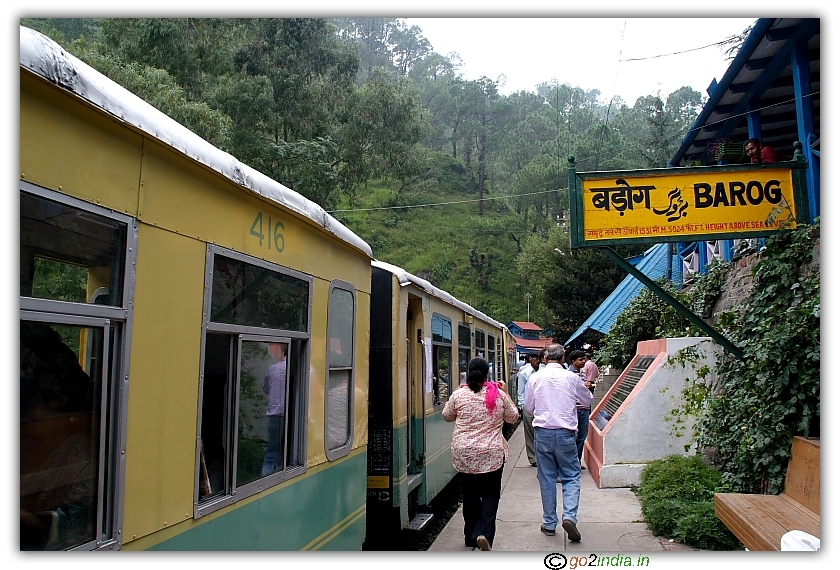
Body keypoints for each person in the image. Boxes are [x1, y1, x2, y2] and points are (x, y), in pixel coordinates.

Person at [443, 357, 519, 551]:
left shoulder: (459, 395)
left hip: (465, 454)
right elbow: (513, 417)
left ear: (468, 372)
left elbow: (447, 416)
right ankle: (485, 533)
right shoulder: (498, 395)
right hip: (491, 453)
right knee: (491, 494)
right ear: (488, 374)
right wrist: (507, 393)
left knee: (469, 495)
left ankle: (470, 537)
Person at [524, 344, 593, 542]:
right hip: (566, 434)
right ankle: (570, 516)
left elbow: (528, 406)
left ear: (545, 359)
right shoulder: (572, 378)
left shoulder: (535, 378)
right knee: (571, 476)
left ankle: (549, 523)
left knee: (546, 478)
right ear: (563, 359)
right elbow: (586, 400)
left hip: (543, 433)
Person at [261, 342, 287, 477]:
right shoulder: (297, 368)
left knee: (271, 454)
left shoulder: (273, 369)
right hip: (291, 417)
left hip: (275, 417)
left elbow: (265, 389)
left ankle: (265, 482)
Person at [567, 350, 595, 468]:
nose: (583, 361)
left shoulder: (582, 373)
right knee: (573, 437)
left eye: (584, 359)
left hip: (584, 408)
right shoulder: (569, 374)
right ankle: (571, 463)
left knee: (582, 437)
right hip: (575, 409)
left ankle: (577, 461)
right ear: (573, 361)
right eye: (580, 359)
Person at [516, 352, 542, 467]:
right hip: (528, 405)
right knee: (530, 433)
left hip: (542, 405)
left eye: (539, 358)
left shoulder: (543, 372)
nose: (537, 361)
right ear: (530, 359)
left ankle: (542, 456)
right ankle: (533, 458)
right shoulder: (524, 373)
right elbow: (521, 391)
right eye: (535, 358)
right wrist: (522, 405)